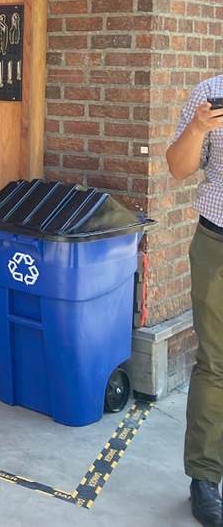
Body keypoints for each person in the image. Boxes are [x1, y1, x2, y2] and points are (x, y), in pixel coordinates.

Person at [167, 79, 223, 527]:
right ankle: (204, 479)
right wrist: (199, 129)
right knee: (216, 365)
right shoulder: (210, 92)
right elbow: (178, 167)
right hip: (217, 246)